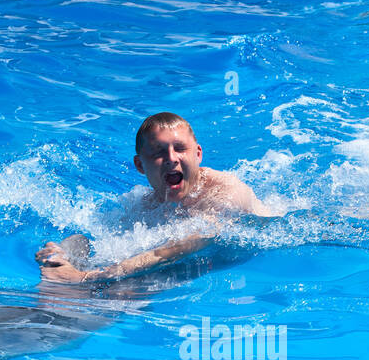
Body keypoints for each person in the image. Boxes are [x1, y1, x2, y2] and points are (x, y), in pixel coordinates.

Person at [35, 112, 278, 283]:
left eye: (180, 149)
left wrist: (87, 277)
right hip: (200, 259)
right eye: (159, 153)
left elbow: (185, 245)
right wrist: (64, 254)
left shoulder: (224, 192)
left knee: (129, 286)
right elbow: (111, 244)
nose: (172, 159)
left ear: (198, 154)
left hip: (252, 259)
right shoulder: (145, 204)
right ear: (140, 165)